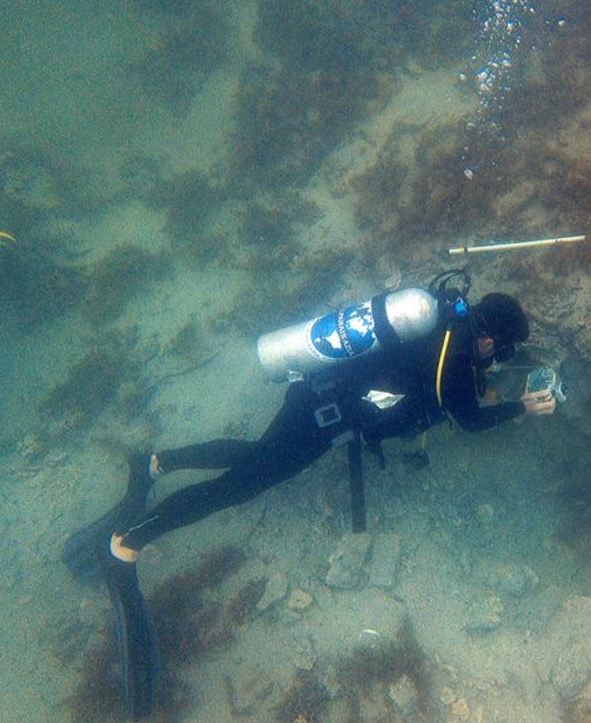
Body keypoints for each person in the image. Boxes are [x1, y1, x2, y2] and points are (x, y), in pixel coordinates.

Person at [62, 278, 556, 719]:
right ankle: (128, 544)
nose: (497, 359)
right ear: (488, 338)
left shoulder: (442, 319)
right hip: (321, 418)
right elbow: (468, 419)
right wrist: (522, 408)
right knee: (241, 485)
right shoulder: (453, 356)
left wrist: (481, 384)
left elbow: (434, 383)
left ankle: (154, 463)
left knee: (257, 458)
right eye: (500, 351)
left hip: (317, 396)